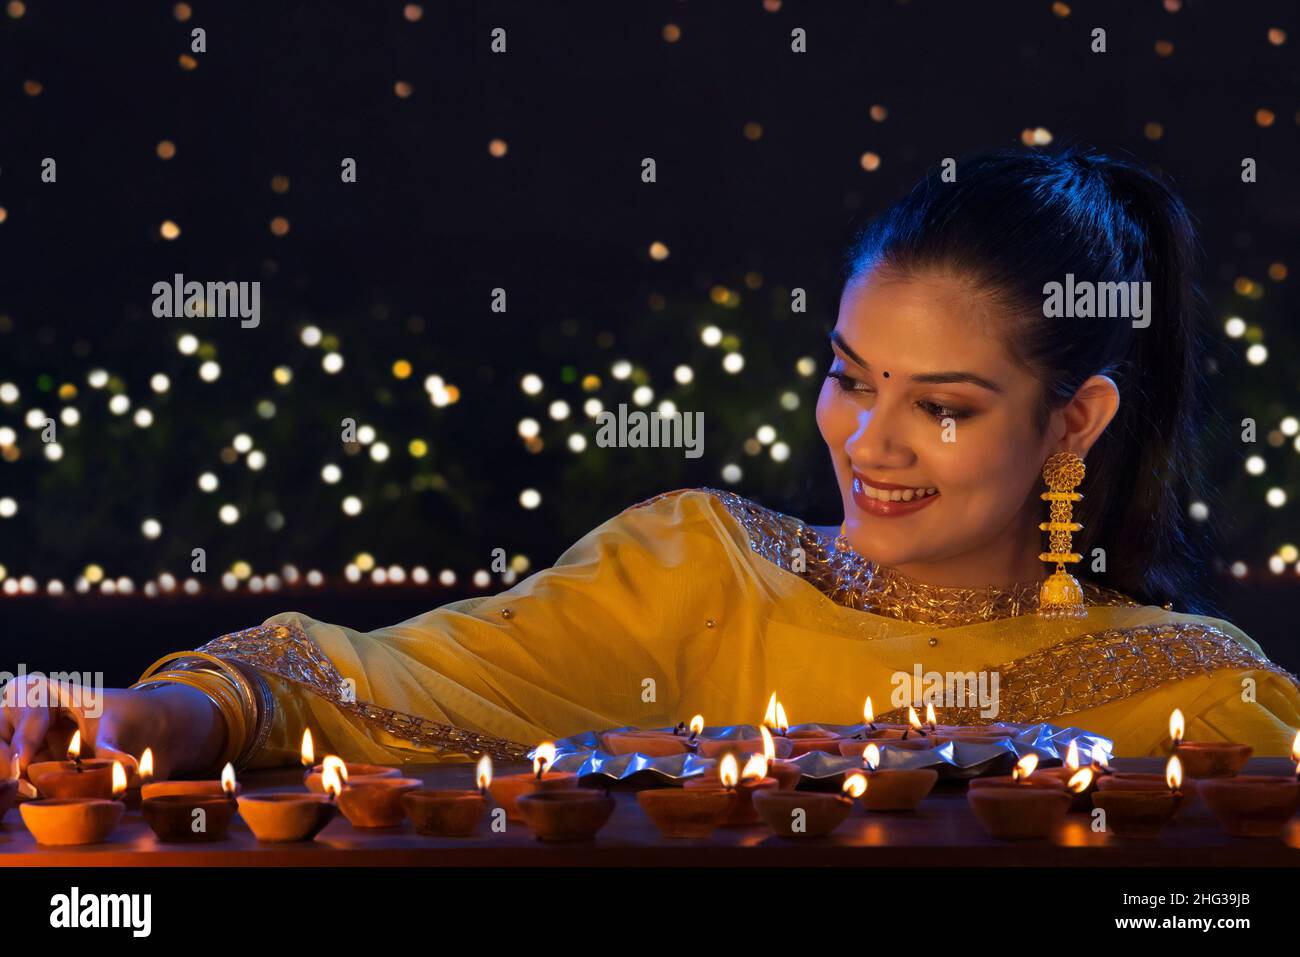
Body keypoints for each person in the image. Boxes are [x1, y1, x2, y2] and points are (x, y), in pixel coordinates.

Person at [4, 147, 1298, 780]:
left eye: (943, 405)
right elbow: (404, 678)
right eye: (850, 376)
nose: (866, 439)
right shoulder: (696, 573)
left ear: (1074, 424)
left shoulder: (1190, 695)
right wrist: (165, 714)